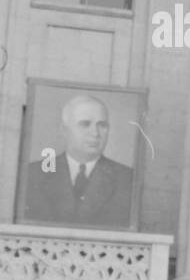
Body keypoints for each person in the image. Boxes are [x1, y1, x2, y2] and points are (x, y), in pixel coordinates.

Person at [23, 94, 134, 228]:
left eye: (102, 125)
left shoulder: (128, 179)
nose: (95, 133)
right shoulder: (33, 174)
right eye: (85, 124)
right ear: (64, 130)